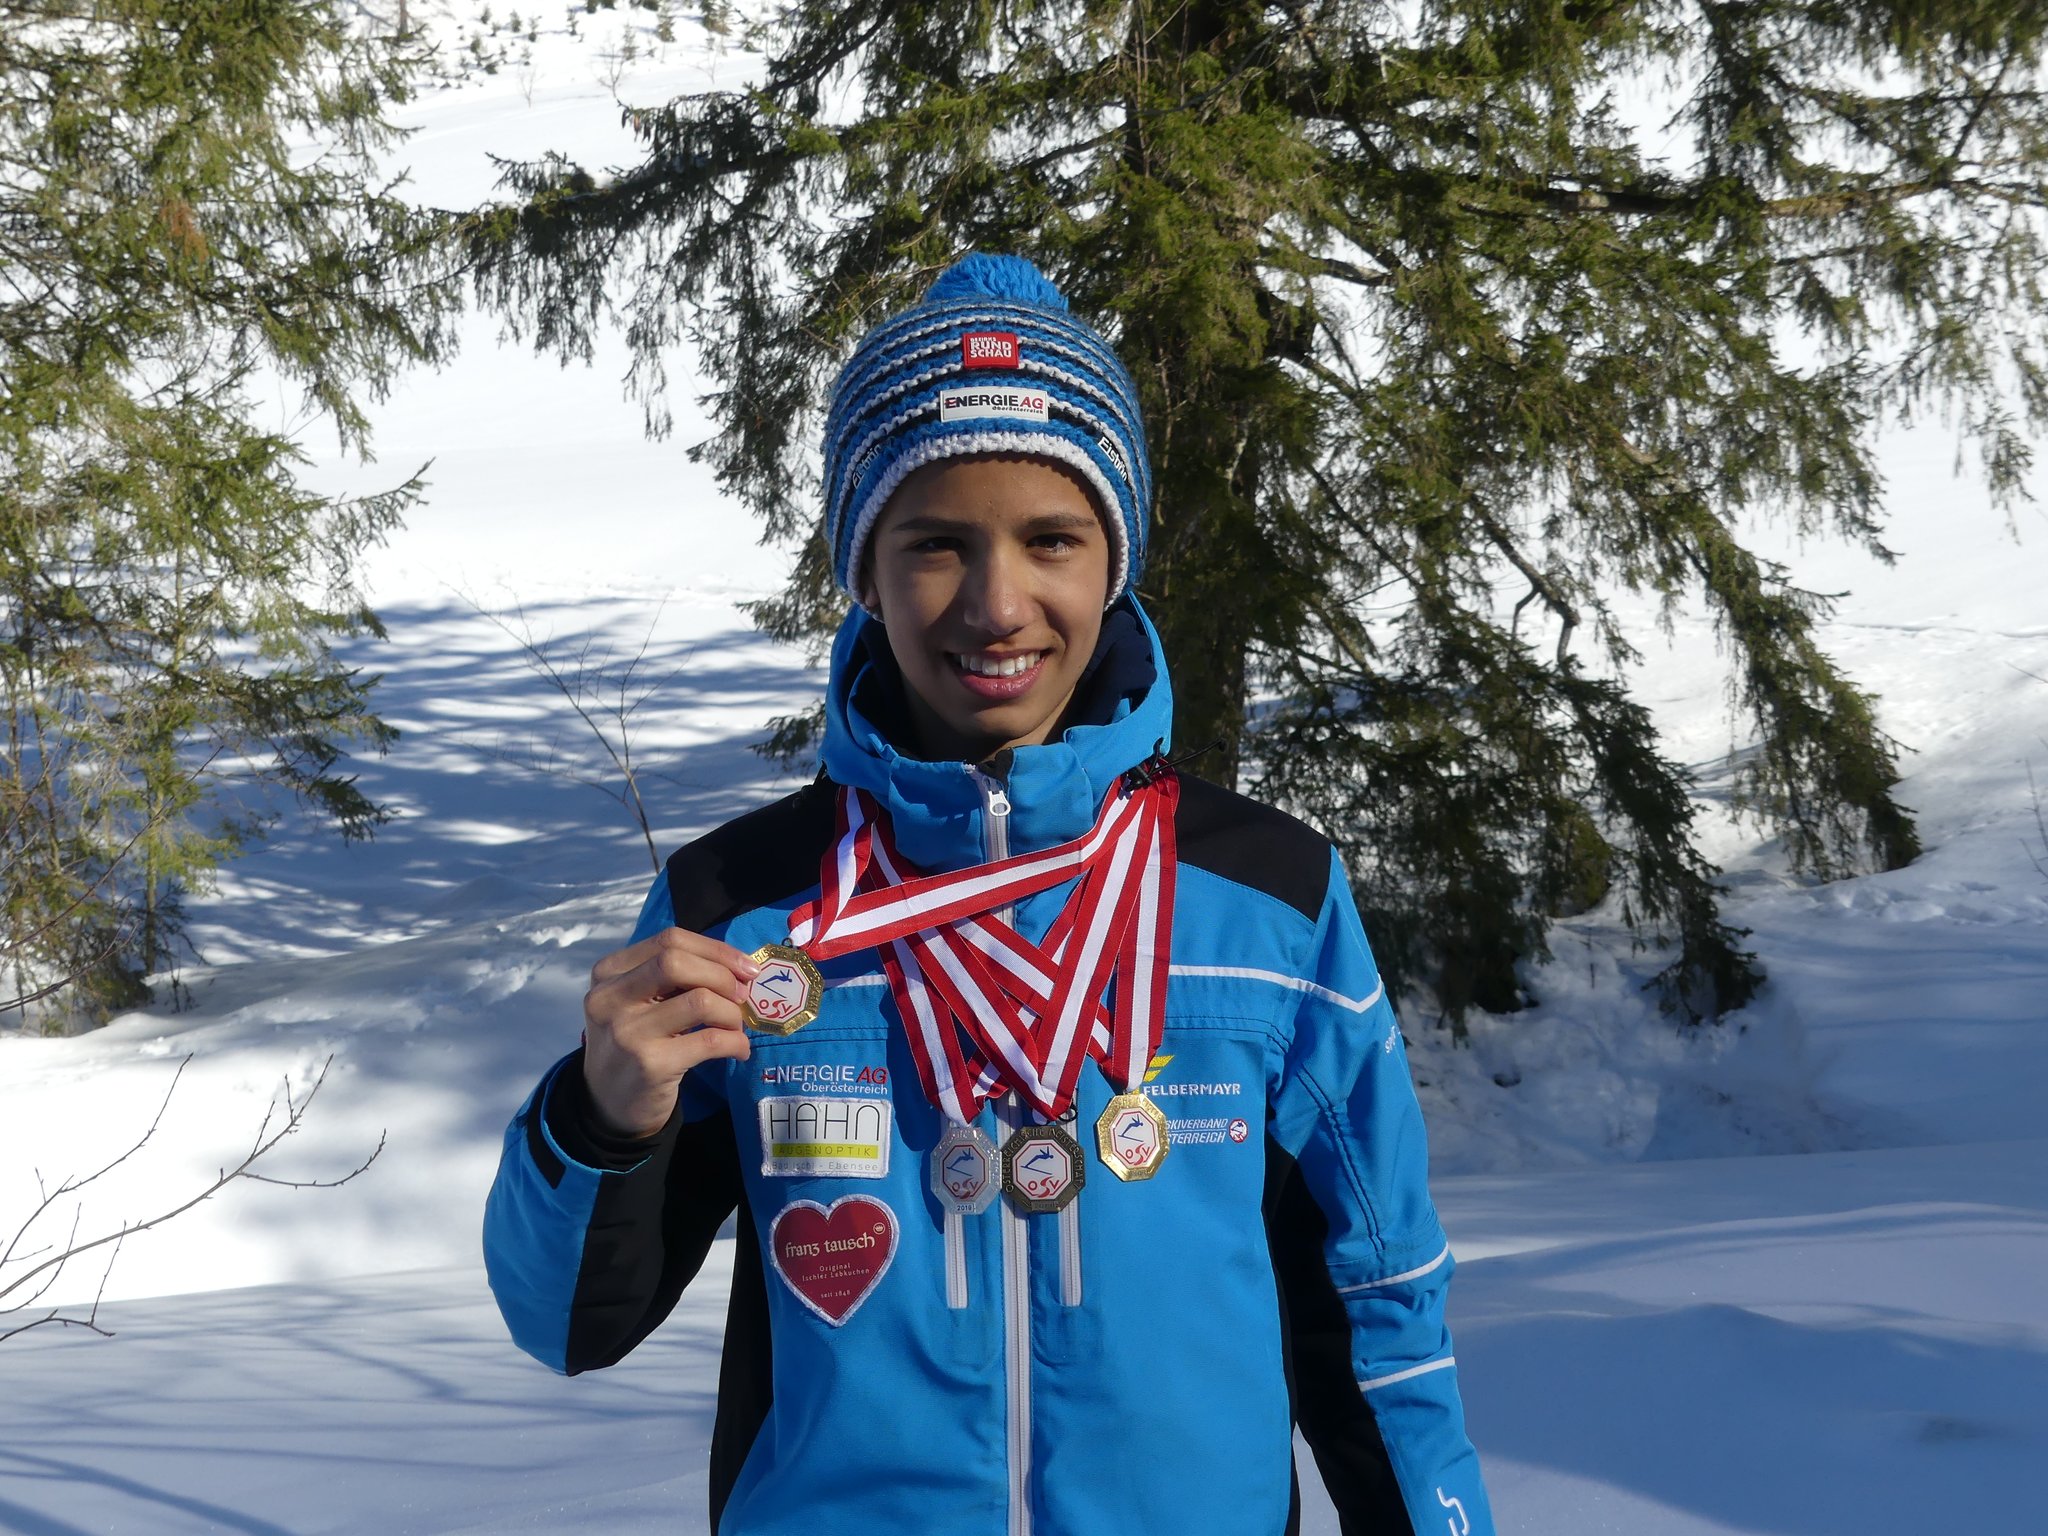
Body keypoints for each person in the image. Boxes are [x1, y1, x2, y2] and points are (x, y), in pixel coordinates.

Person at [483, 254, 1495, 1536]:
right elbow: (569, 1325)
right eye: (935, 547)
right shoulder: (743, 906)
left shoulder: (1265, 899)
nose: (997, 603)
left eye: (1051, 540)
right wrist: (599, 1120)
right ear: (862, 570)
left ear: (1113, 562)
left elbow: (1376, 1302)